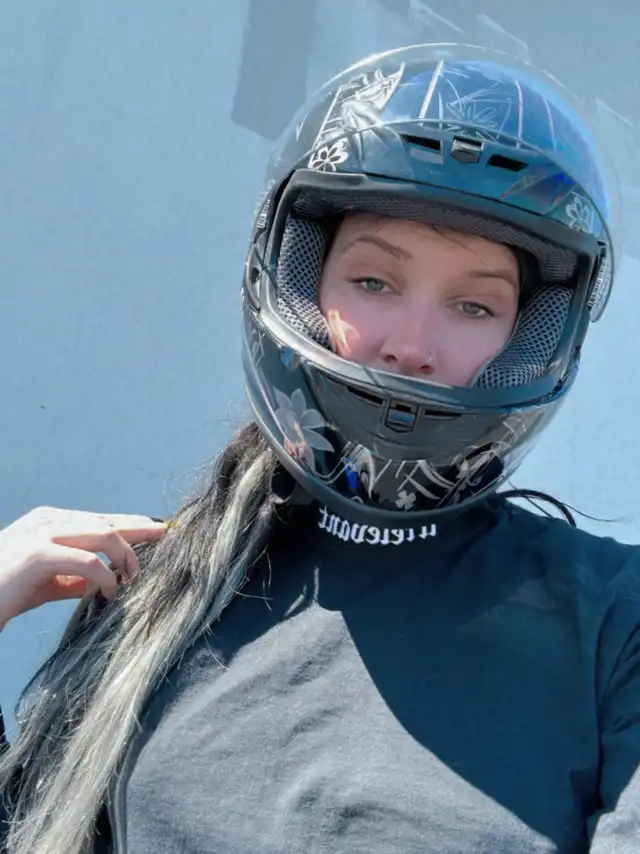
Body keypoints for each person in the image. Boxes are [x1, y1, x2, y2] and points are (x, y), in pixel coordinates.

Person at [0, 41, 635, 854]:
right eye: (373, 282)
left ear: (531, 338)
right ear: (298, 284)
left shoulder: (615, 622)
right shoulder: (160, 589)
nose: (411, 347)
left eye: (474, 306)